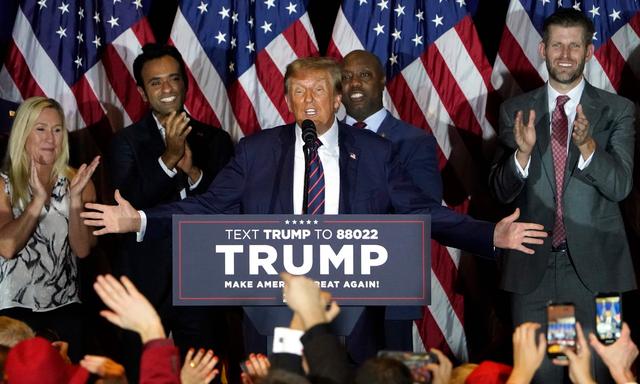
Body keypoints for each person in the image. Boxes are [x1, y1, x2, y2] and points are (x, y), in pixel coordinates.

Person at [83, 56, 547, 357]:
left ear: (337, 97)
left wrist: (491, 234)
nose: (308, 101)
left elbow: (423, 211)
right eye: (298, 93)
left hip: (351, 311)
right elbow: (208, 207)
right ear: (286, 100)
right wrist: (140, 219)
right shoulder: (258, 152)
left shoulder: (375, 153)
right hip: (273, 310)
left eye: (318, 91)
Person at [489, 8, 636, 383]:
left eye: (575, 46)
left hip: (598, 275)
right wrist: (521, 154)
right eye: (557, 45)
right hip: (532, 274)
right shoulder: (515, 110)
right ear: (542, 49)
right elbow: (500, 192)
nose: (565, 55)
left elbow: (620, 185)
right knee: (540, 374)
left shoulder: (618, 111)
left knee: (598, 373)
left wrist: (588, 147)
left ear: (589, 51)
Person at [108, 43, 235, 380]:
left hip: (201, 279)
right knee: (145, 371)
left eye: (173, 79)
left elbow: (226, 208)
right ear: (141, 90)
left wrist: (193, 174)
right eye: (155, 82)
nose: (166, 89)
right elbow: (127, 206)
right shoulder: (126, 142)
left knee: (205, 371)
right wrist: (169, 159)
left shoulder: (216, 140)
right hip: (146, 281)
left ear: (185, 83)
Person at [340, 49, 443, 354]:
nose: (355, 83)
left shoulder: (414, 142)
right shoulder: (320, 141)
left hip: (390, 286)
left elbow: (423, 210)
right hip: (330, 287)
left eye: (364, 75)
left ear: (383, 81)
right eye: (346, 77)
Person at [0, 97, 99, 361]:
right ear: (23, 133)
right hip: (11, 312)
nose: (50, 138)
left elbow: (82, 250)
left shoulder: (79, 181)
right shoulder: (3, 185)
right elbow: (7, 247)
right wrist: (37, 201)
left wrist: (76, 199)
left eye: (57, 130)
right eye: (40, 129)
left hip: (65, 310)